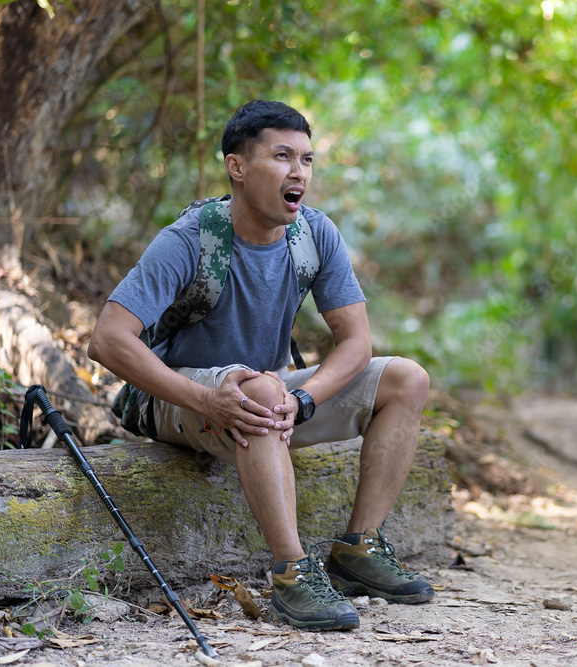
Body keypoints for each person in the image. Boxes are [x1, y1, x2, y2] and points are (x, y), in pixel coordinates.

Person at [87, 100, 434, 631]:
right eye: (282, 156)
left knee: (407, 378)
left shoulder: (313, 235)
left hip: (266, 402)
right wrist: (205, 398)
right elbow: (108, 340)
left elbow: (356, 341)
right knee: (262, 392)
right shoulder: (191, 239)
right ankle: (293, 573)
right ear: (238, 167)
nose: (299, 172)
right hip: (175, 401)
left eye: (307, 159)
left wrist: (305, 397)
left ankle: (358, 550)